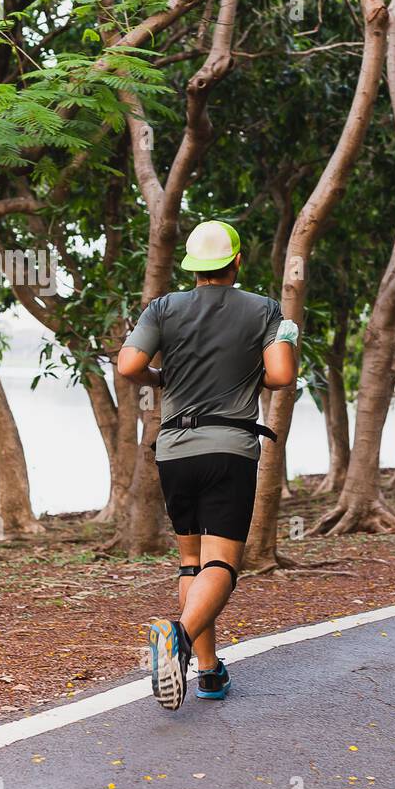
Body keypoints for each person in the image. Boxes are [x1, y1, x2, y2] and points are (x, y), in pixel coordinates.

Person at [117, 220, 299, 710]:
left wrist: (163, 375)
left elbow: (128, 367)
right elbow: (280, 376)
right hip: (229, 449)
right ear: (237, 262)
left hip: (174, 448)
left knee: (191, 562)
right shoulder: (263, 309)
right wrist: (285, 337)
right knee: (221, 564)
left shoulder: (162, 308)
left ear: (192, 268)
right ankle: (174, 636)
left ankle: (208, 671)